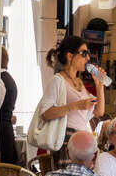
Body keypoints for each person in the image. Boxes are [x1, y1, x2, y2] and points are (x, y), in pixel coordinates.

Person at [37, 35, 104, 164]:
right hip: (66, 138)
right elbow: (45, 113)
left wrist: (99, 85)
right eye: (84, 53)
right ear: (70, 56)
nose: (88, 58)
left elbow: (99, 112)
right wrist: (76, 106)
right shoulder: (58, 80)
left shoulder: (79, 83)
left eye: (88, 54)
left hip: (83, 139)